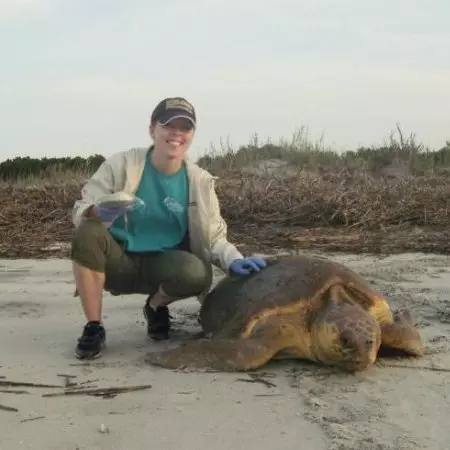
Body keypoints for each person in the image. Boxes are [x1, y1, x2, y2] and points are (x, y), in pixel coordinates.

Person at [69, 96, 267, 359]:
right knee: (87, 230)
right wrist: (97, 211)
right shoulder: (122, 164)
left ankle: (155, 306)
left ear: (192, 135)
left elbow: (214, 236)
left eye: (185, 127)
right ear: (152, 129)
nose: (176, 133)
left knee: (196, 271)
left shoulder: (200, 181)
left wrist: (234, 260)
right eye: (168, 125)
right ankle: (94, 326)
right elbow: (81, 207)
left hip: (163, 265)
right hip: (117, 262)